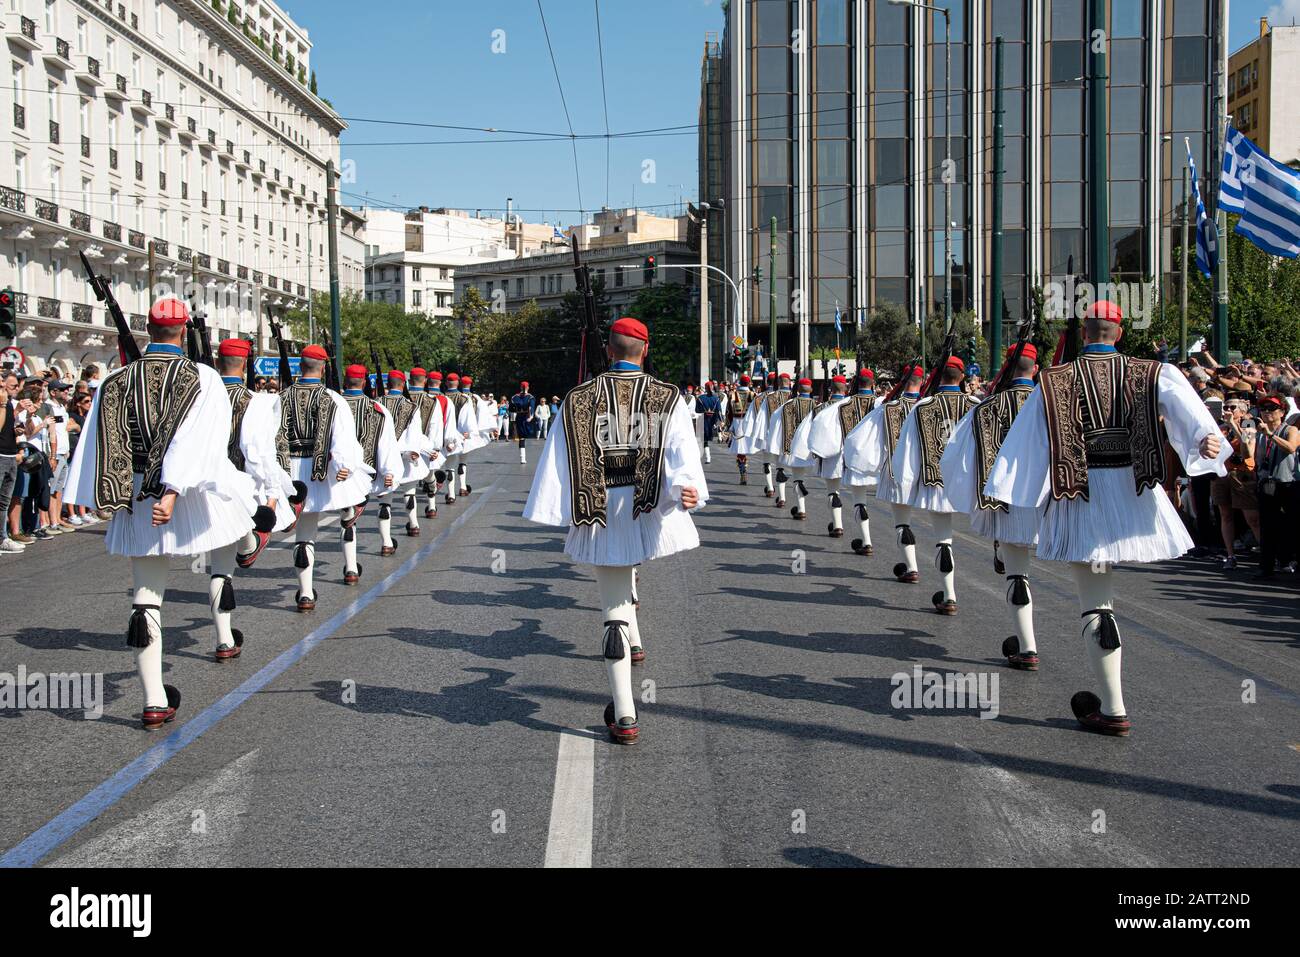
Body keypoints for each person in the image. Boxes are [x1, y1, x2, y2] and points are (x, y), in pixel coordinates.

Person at [986, 301, 1225, 736]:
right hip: (1135, 492)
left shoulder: (1054, 381)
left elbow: (1029, 444)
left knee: (1095, 601)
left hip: (1082, 494)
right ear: (1119, 333)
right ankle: (1111, 704)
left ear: (1084, 333)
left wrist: (1009, 492)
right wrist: (1204, 439)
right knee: (1104, 599)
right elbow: (1188, 413)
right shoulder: (1153, 372)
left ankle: (1113, 708)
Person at [62, 298, 257, 729]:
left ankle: (153, 700)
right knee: (237, 515)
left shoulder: (114, 380)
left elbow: (99, 442)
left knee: (145, 599)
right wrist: (171, 490)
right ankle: (230, 610)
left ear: (147, 328)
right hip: (181, 492)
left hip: (135, 494)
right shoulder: (202, 377)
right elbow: (200, 441)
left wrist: (107, 496)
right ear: (183, 331)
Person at [524, 316, 706, 745]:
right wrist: (686, 487)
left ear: (608, 350)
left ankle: (624, 712)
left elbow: (559, 459)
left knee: (613, 610)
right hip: (644, 505)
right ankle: (626, 692)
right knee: (626, 593)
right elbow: (682, 451)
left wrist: (563, 506)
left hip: (600, 508)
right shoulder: (668, 397)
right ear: (646, 350)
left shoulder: (577, 399)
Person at [941, 345, 1042, 668]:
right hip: (1054, 502)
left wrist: (976, 502)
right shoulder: (1057, 401)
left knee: (1018, 573)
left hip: (1008, 503)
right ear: (1036, 369)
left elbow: (959, 460)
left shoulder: (985, 408)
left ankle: (1027, 647)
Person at [214, 338, 297, 658]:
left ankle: (225, 638)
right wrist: (272, 500)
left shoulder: (199, 395)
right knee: (223, 567)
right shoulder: (255, 401)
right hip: (240, 487)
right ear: (246, 364)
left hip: (202, 487)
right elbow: (260, 454)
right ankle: (223, 640)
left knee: (217, 565)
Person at [278, 345, 374, 611]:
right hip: (320, 472)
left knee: (303, 534)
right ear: (322, 369)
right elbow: (343, 437)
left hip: (291, 472)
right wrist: (346, 465)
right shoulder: (333, 398)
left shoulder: (281, 397)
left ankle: (305, 593)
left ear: (300, 366)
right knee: (331, 521)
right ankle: (347, 567)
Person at [893, 357, 980, 615]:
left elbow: (907, 450)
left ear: (937, 376)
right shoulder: (976, 405)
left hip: (936, 482)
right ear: (962, 377)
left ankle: (950, 594)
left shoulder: (923, 406)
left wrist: (906, 482)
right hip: (967, 482)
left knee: (944, 539)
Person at [844, 364, 926, 583]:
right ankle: (950, 594)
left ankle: (911, 567)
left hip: (896, 471)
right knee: (944, 536)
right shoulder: (929, 405)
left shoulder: (887, 407)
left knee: (903, 522)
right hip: (930, 473)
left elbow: (862, 440)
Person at [802, 368, 878, 550]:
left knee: (833, 491)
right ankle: (866, 540)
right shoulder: (880, 404)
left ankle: (837, 525)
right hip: (866, 457)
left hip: (837, 455)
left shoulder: (833, 407)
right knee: (860, 499)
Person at [341, 364, 401, 567]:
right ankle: (385, 542)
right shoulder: (378, 408)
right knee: (385, 501)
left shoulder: (334, 403)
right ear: (364, 383)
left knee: (348, 517)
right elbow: (386, 443)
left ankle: (350, 568)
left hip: (340, 471)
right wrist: (389, 470)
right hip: (369, 470)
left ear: (344, 381)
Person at [381, 370, 431, 538]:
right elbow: (415, 433)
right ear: (403, 385)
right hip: (405, 454)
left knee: (385, 499)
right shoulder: (411, 406)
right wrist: (414, 451)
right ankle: (414, 524)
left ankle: (386, 542)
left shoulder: (377, 403)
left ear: (388, 384)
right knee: (409, 491)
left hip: (384, 455)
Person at [1253, 395, 1299, 579]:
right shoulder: (1259, 433)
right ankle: (1266, 566)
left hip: (1289, 483)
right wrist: (1245, 437)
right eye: (1263, 409)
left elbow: (1291, 448)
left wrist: (1270, 434)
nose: (1266, 412)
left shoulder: (1291, 429)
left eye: (1271, 408)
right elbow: (1250, 455)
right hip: (1267, 484)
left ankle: (1288, 561)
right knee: (1268, 526)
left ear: (1282, 412)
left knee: (1293, 525)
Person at [1213, 396, 1261, 570]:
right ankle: (1230, 555)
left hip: (1242, 474)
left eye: (1233, 407)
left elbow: (1248, 451)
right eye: (1226, 406)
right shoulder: (1220, 429)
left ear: (1242, 410)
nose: (1229, 410)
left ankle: (1267, 554)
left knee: (1252, 518)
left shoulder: (1249, 425)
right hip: (1223, 473)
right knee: (1225, 515)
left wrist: (1233, 424)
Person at [767, 377, 820, 519]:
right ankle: (801, 508)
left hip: (790, 447)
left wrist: (776, 447)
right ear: (811, 390)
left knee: (789, 475)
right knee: (799, 478)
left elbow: (776, 427)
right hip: (808, 449)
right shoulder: (818, 406)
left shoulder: (787, 405)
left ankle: (792, 503)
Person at [725, 374, 755, 484]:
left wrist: (729, 425)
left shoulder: (732, 394)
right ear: (748, 383)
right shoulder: (753, 394)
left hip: (737, 422)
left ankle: (742, 470)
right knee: (747, 447)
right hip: (750, 424)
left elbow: (728, 412)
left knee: (740, 450)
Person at [510, 381, 538, 464]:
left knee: (522, 437)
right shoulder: (530, 397)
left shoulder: (514, 397)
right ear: (528, 387)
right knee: (524, 436)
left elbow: (511, 409)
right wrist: (531, 416)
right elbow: (532, 407)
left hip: (519, 417)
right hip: (526, 417)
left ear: (520, 387)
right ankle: (523, 458)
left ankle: (522, 458)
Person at [696, 382, 722, 465]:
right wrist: (721, 421)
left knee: (703, 441)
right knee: (705, 440)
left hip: (703, 421)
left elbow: (697, 410)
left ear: (706, 388)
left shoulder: (700, 398)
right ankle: (708, 458)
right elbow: (719, 411)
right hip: (712, 421)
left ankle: (706, 457)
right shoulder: (716, 398)